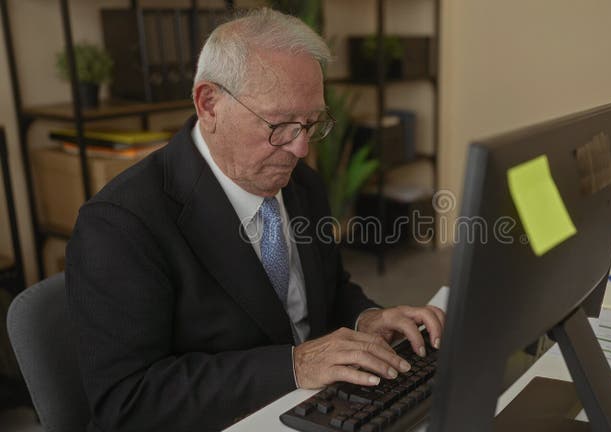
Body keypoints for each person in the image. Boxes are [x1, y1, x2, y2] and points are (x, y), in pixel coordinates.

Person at [66, 8, 444, 432]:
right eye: (281, 124)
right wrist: (294, 365)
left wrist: (366, 318)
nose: (300, 148)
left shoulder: (302, 185)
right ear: (209, 104)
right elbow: (128, 401)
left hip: (315, 408)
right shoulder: (121, 225)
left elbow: (330, 290)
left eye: (312, 122)